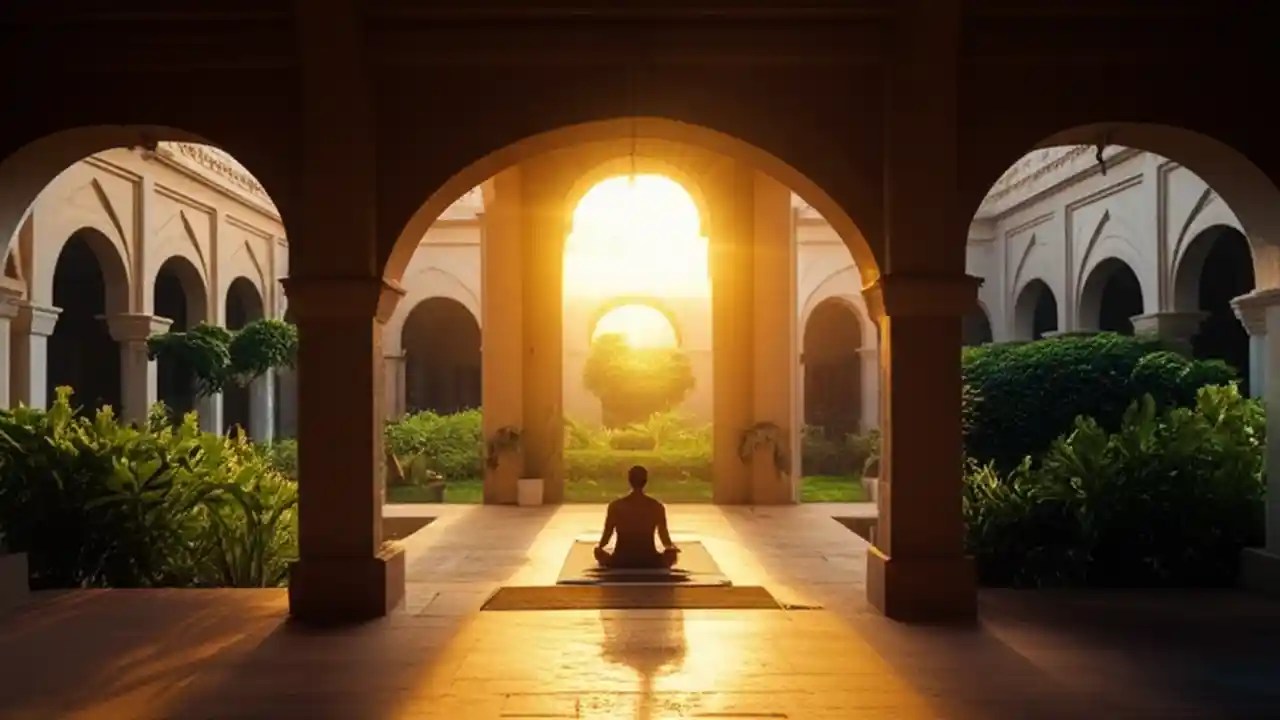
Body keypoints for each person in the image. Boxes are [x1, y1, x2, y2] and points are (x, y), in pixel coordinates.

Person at [594, 465, 680, 569]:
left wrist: (599, 548)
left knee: (598, 552)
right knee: (671, 554)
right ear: (646, 481)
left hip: (621, 559)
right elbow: (665, 539)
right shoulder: (656, 506)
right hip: (649, 559)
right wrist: (673, 548)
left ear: (629, 480)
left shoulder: (616, 506)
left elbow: (607, 535)